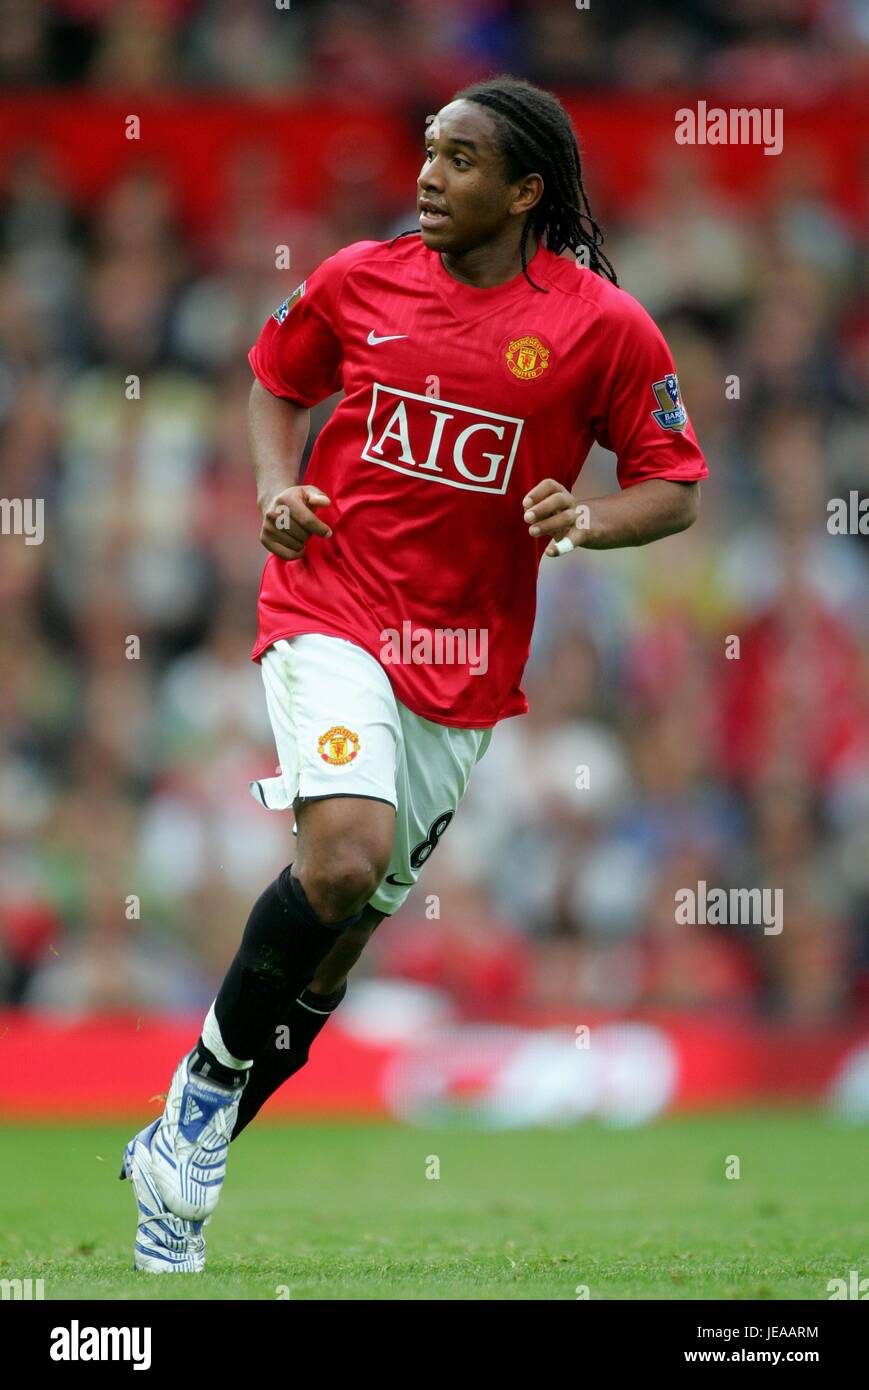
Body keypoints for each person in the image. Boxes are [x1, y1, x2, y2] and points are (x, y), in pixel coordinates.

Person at [121, 75, 708, 1271]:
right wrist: (271, 492)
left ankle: (183, 1167)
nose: (429, 175)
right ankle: (198, 1093)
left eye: (459, 158)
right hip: (328, 604)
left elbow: (673, 485)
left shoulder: (603, 329)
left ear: (525, 188)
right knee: (335, 851)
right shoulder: (356, 277)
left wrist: (588, 522)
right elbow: (277, 379)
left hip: (461, 666)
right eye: (427, 152)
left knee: (334, 944)